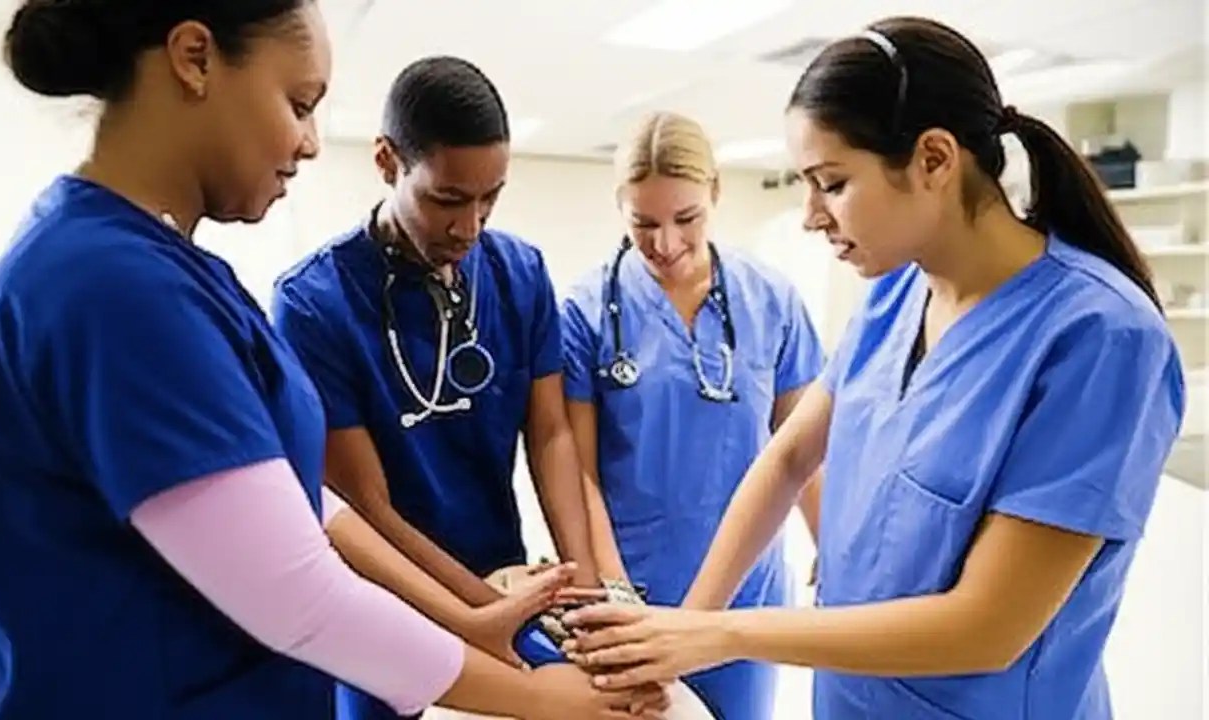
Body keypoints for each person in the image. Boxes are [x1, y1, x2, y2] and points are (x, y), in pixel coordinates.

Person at [0, 2, 655, 718]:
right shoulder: (115, 290)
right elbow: (299, 595)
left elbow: (299, 505)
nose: (311, 143)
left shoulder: (163, 272)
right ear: (195, 59)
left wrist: (489, 618)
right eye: (299, 103)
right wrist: (536, 698)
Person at [556, 16, 1186, 720]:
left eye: (831, 183)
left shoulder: (1099, 339)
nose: (809, 216)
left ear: (935, 160)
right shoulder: (895, 296)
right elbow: (788, 456)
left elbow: (989, 627)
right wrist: (674, 641)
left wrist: (714, 633)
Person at [271, 56, 641, 719]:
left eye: (489, 198)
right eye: (447, 199)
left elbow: (551, 433)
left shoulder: (519, 272)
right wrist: (479, 609)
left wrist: (585, 594)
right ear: (388, 162)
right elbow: (365, 505)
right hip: (388, 604)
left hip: (502, 584)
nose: (469, 227)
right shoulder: (314, 303)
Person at [558, 111, 826, 720]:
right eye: (643, 223)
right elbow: (579, 473)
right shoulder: (584, 310)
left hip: (747, 596)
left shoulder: (772, 299)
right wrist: (617, 596)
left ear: (716, 194)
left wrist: (830, 544)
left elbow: (800, 444)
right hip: (637, 592)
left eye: (687, 219)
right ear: (619, 207)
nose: (666, 243)